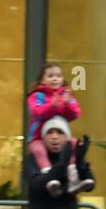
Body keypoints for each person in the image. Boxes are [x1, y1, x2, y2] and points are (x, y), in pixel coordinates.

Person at [25, 64, 92, 196]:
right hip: (38, 136)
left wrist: (66, 105)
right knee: (38, 150)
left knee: (73, 143)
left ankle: (73, 177)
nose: (55, 79)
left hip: (62, 136)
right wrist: (52, 106)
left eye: (58, 76)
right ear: (42, 81)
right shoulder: (38, 95)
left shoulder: (66, 95)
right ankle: (48, 176)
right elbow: (35, 110)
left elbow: (75, 114)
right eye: (50, 76)